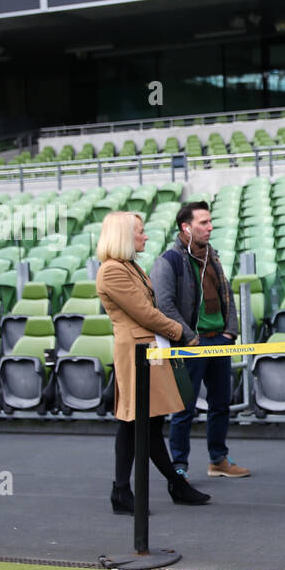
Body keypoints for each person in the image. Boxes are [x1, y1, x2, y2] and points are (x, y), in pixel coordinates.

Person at [95, 211, 210, 512]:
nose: (145, 236)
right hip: (137, 353)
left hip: (149, 350)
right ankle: (133, 489)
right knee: (134, 423)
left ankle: (166, 484)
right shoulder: (112, 271)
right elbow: (143, 313)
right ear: (123, 236)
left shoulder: (130, 267)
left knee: (148, 423)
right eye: (140, 232)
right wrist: (178, 332)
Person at [150, 200, 250, 481]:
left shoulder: (212, 257)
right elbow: (164, 306)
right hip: (191, 345)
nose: (210, 227)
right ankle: (179, 467)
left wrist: (230, 331)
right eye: (203, 223)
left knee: (220, 404)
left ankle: (218, 460)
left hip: (218, 340)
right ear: (186, 227)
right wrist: (190, 338)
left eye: (210, 221)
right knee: (184, 408)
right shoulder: (168, 261)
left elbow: (227, 296)